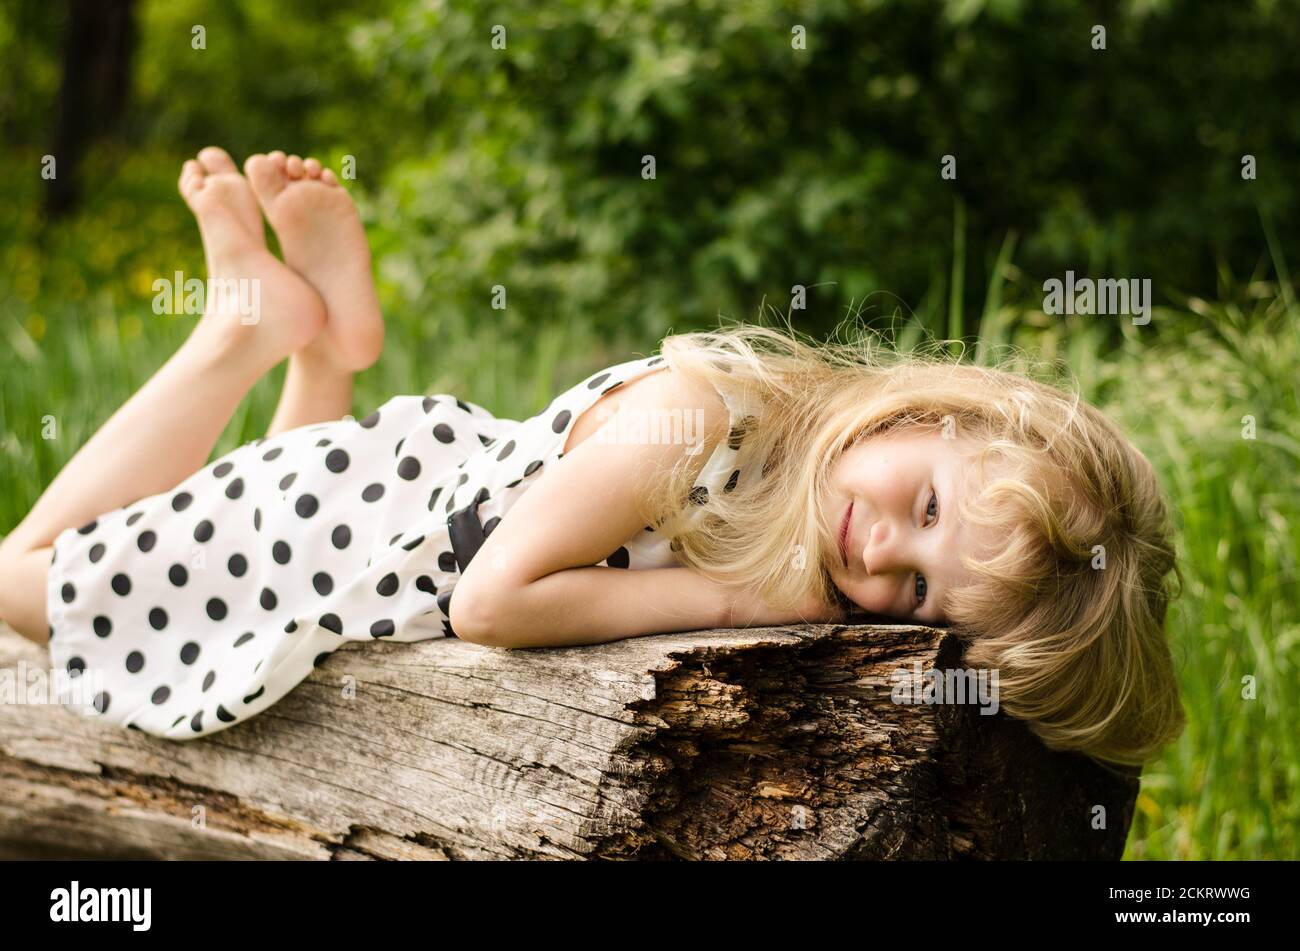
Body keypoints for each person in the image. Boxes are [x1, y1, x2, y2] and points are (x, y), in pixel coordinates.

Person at [0, 148, 1184, 768]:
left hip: (376, 515)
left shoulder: (798, 498)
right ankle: (241, 331)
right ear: (921, 413)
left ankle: (318, 355)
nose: (879, 554)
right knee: (26, 578)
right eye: (922, 504)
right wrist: (736, 599)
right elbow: (487, 601)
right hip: (341, 530)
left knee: (251, 507)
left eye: (921, 592)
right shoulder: (705, 411)